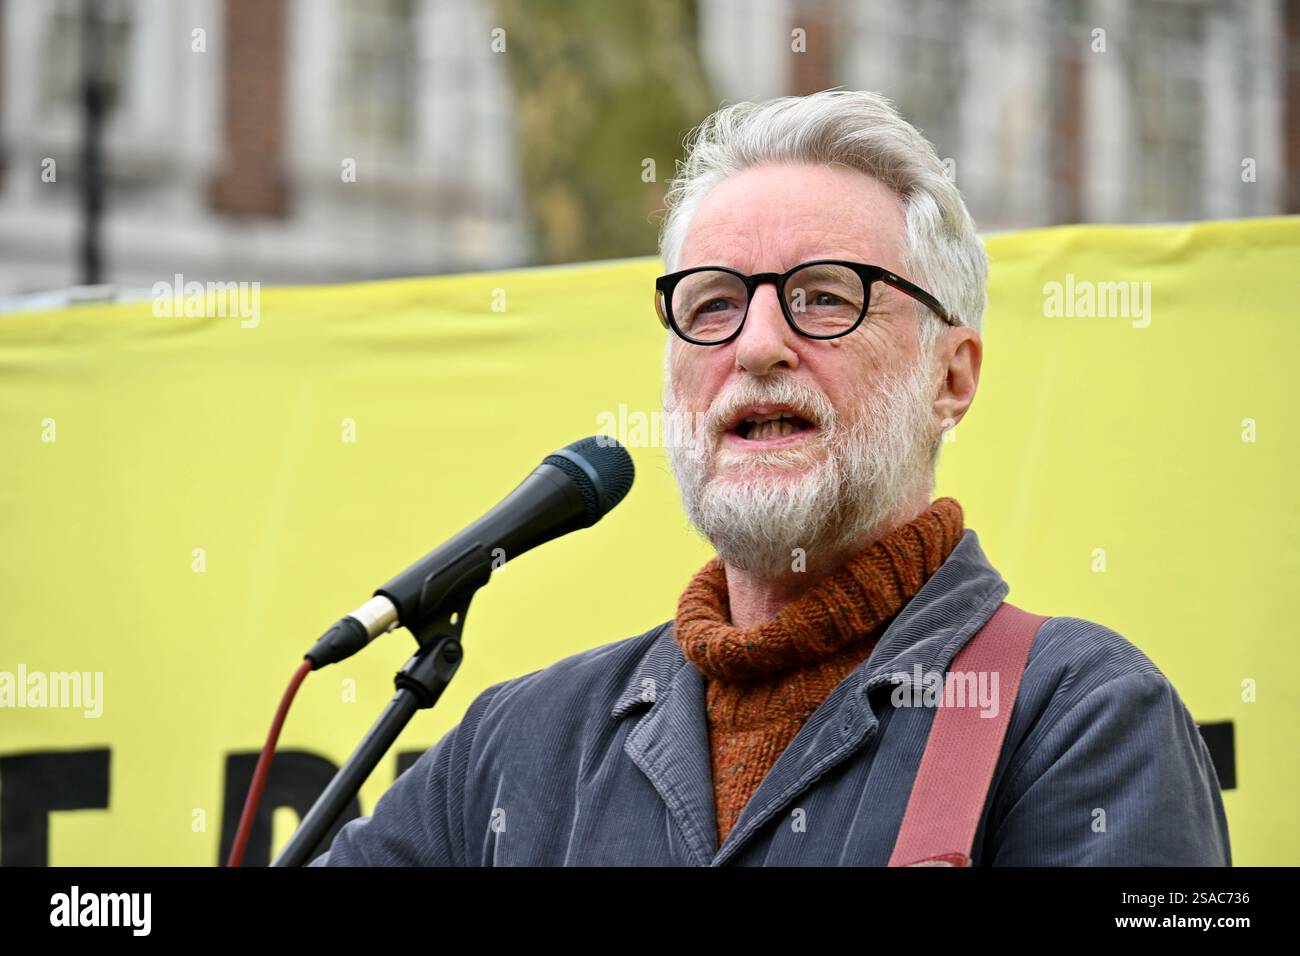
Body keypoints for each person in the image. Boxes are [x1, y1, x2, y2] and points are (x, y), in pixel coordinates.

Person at [309, 90, 1230, 866]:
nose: (755, 346)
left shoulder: (1082, 716)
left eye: (825, 296)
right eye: (712, 302)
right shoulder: (514, 746)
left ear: (950, 378)